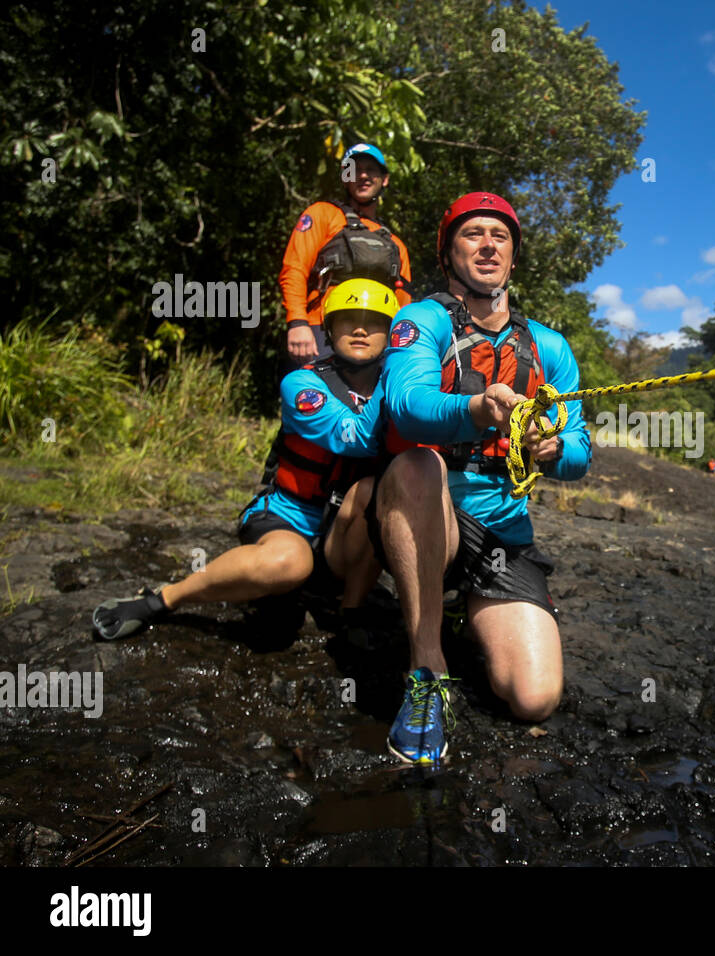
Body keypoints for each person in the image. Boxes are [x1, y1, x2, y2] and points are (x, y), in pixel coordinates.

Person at [368, 191, 591, 766]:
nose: (488, 244)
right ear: (447, 256)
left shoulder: (551, 348)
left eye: (501, 236)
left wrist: (551, 447)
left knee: (534, 698)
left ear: (513, 258)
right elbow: (405, 402)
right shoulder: (420, 320)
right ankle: (426, 664)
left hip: (499, 534)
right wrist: (472, 411)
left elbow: (580, 454)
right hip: (425, 504)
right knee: (419, 463)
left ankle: (473, 610)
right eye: (473, 234)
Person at [91, 279, 396, 642]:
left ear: (391, 333)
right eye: (348, 319)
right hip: (288, 519)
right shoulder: (303, 385)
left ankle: (352, 610)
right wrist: (397, 383)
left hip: (343, 538)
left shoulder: (405, 387)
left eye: (374, 321)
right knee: (289, 563)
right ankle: (164, 599)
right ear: (329, 328)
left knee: (376, 488)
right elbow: (354, 436)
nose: (360, 329)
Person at [278, 143, 413, 371]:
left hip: (376, 339)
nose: (362, 175)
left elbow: (403, 302)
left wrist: (403, 348)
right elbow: (294, 268)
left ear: (384, 179)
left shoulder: (396, 244)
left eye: (370, 169)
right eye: (354, 170)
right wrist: (297, 322)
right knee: (313, 402)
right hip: (320, 331)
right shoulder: (322, 214)